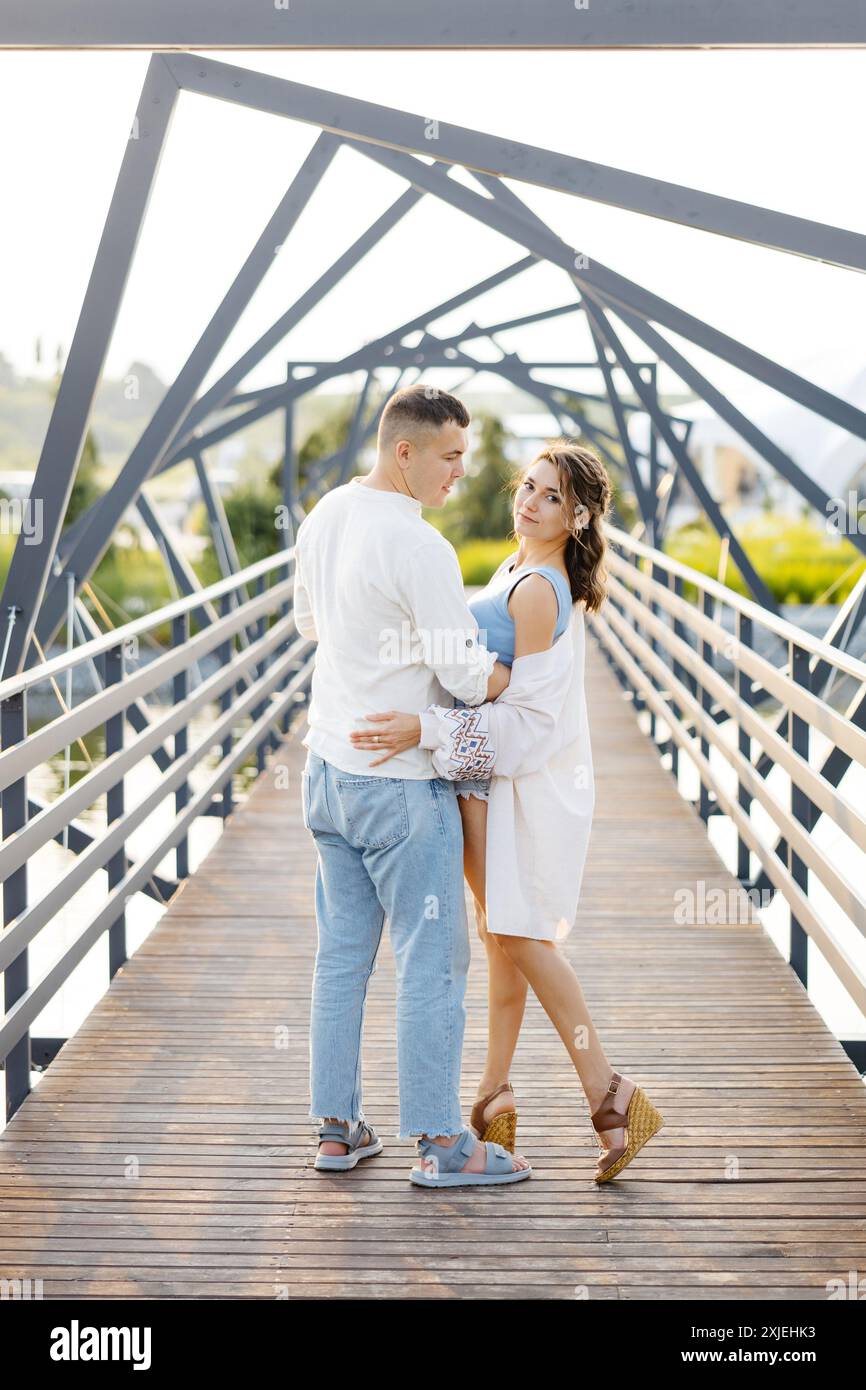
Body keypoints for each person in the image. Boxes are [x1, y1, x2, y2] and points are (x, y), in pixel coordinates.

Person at [350, 439, 665, 1181]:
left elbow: (527, 726)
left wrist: (424, 728)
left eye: (551, 496)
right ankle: (493, 1094)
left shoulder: (536, 591)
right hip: (483, 786)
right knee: (503, 939)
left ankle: (609, 1091)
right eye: (528, 485)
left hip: (505, 790)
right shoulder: (521, 567)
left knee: (519, 936)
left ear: (580, 517)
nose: (529, 500)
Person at [292, 383, 532, 1187]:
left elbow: (310, 625)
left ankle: (337, 1131)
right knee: (431, 963)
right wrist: (516, 665)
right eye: (451, 456)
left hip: (327, 774)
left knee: (341, 959)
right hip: (398, 787)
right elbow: (467, 681)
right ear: (406, 451)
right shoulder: (421, 546)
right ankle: (441, 1145)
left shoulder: (326, 514)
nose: (462, 472)